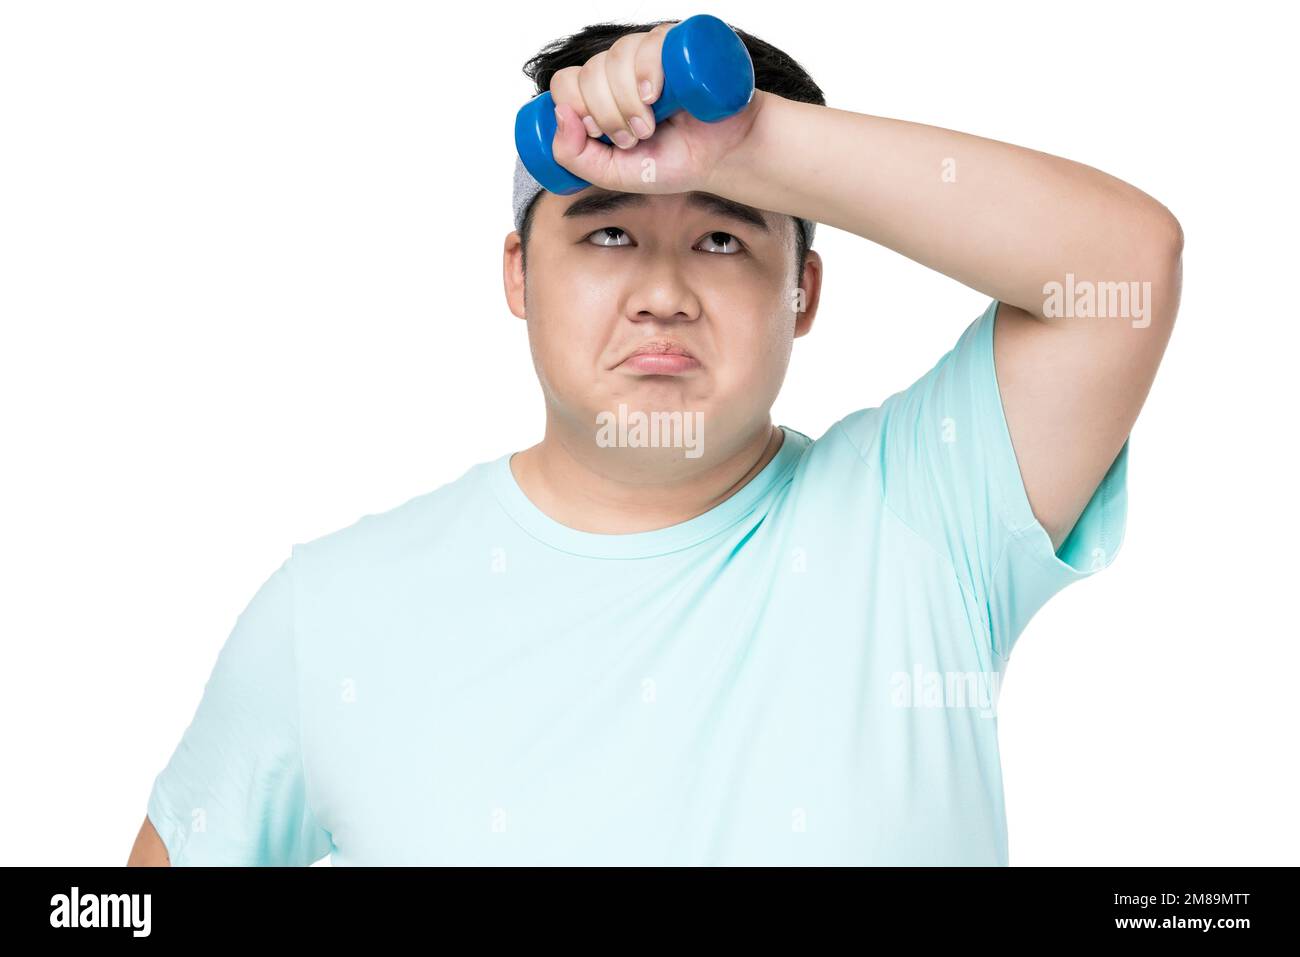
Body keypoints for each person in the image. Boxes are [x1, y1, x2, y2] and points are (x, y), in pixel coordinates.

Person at [129, 17, 1181, 866]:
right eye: (607, 232)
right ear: (517, 275)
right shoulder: (330, 612)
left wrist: (752, 140)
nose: (664, 294)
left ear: (801, 290)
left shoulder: (923, 516)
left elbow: (1123, 272)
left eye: (723, 237)